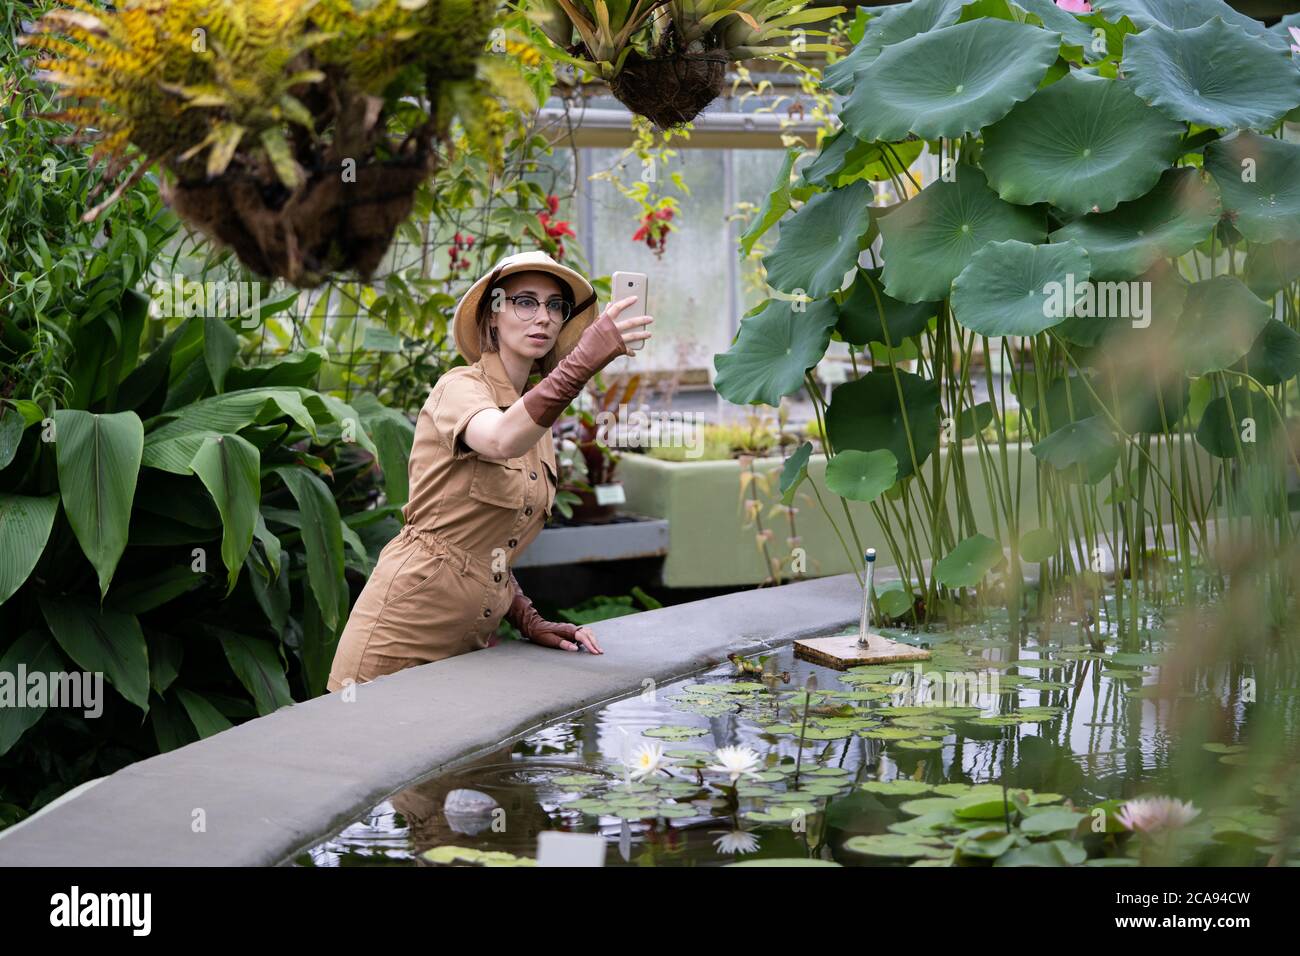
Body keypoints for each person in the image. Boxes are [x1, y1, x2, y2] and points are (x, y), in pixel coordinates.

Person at [326, 251, 652, 692]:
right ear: (493, 314)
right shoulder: (460, 388)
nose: (544, 317)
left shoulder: (536, 424)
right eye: (525, 302)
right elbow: (499, 438)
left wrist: (526, 617)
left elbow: (489, 542)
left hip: (470, 647)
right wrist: (586, 359)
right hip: (401, 634)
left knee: (475, 762)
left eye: (556, 306)